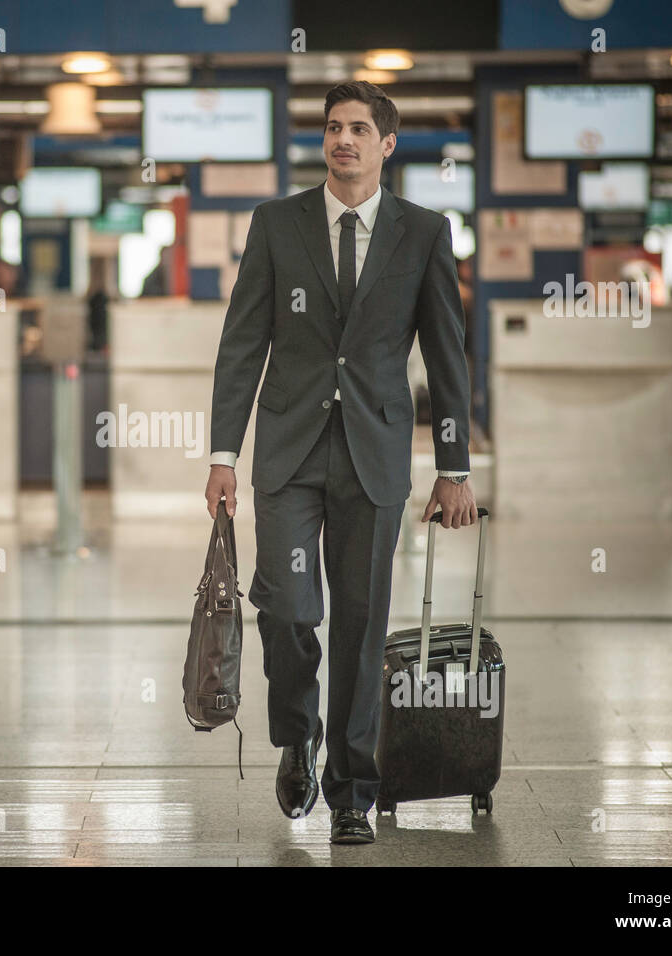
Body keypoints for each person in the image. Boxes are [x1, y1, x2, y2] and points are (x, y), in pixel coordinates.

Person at [205, 81, 476, 845]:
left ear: (387, 146)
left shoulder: (423, 232)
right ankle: (298, 733)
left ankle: (352, 790)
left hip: (374, 454)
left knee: (360, 624)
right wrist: (223, 452)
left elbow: (446, 355)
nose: (343, 140)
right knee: (287, 609)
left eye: (359, 128)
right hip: (289, 453)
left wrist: (453, 464)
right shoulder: (276, 224)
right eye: (333, 128)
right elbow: (241, 344)